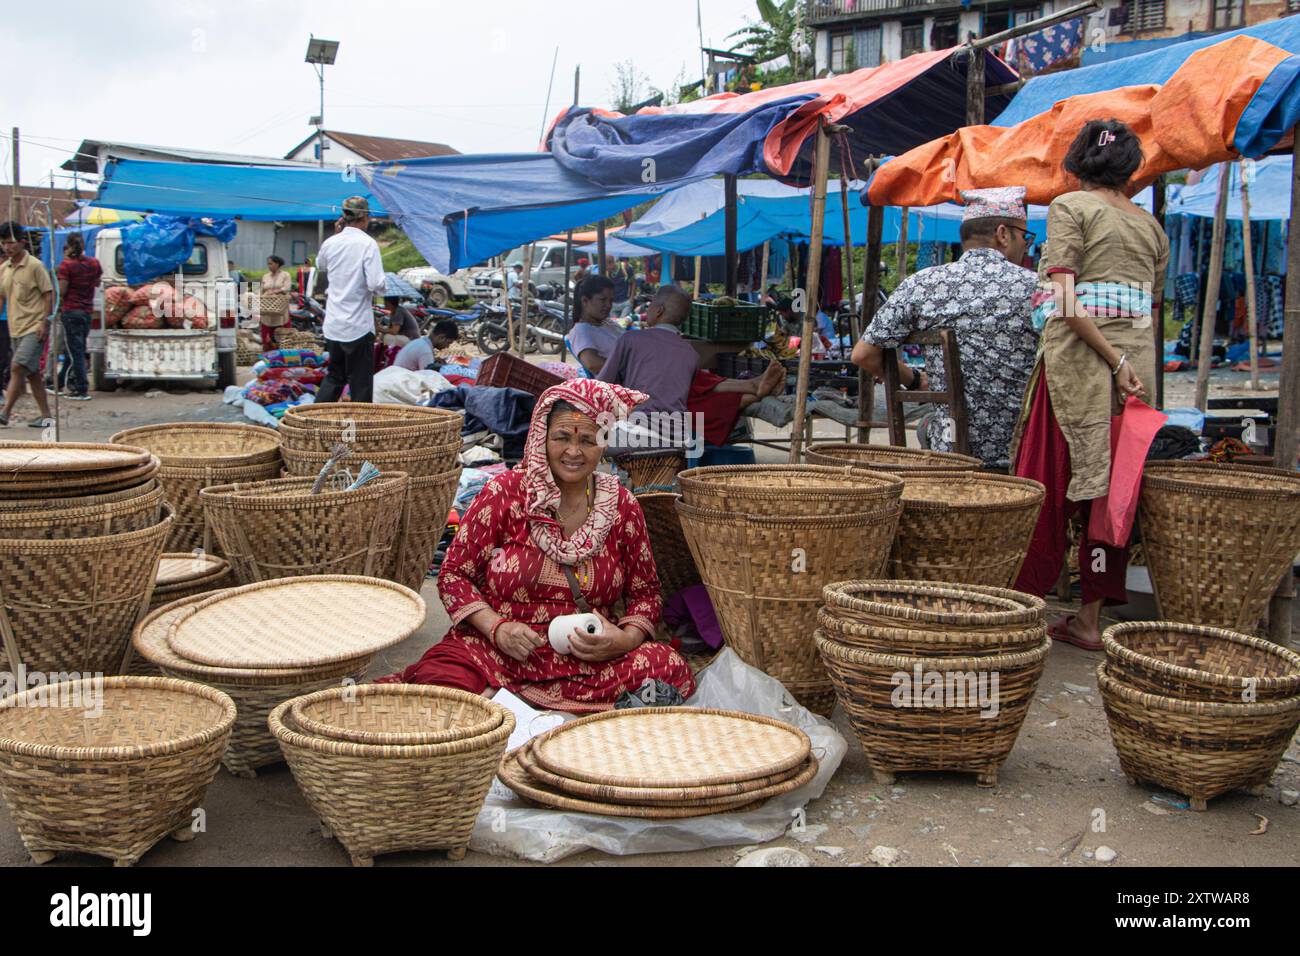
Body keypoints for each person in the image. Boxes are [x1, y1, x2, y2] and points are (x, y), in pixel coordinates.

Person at [377, 379, 696, 712]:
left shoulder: (620, 506)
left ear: (603, 444)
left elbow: (646, 592)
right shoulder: (506, 492)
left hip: (588, 661)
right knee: (440, 681)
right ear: (542, 437)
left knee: (666, 665)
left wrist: (622, 640)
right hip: (497, 651)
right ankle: (516, 704)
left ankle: (500, 707)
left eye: (587, 440)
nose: (573, 452)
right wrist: (497, 628)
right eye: (561, 438)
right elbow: (455, 575)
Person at [1011, 119, 1169, 651]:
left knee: (1045, 488)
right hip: (1135, 381)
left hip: (1079, 368)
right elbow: (1147, 307)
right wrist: (1127, 364)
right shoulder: (1150, 226)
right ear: (1129, 170)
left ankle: (1020, 608)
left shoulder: (1069, 209)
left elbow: (1062, 299)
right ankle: (1088, 617)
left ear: (1077, 163)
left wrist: (1112, 358)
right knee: (1111, 498)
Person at [851, 186, 1039, 468]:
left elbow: (863, 355)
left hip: (948, 452)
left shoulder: (921, 284)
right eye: (1025, 237)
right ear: (1003, 234)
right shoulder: (1037, 288)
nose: (1027, 245)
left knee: (930, 425)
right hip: (1022, 453)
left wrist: (915, 379)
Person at [598, 286, 785, 447]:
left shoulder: (630, 339)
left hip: (634, 428)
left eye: (651, 305)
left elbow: (601, 386)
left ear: (659, 310)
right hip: (678, 432)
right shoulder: (691, 354)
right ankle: (751, 387)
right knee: (700, 391)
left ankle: (751, 388)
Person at [314, 196, 385, 403]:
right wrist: (384, 284)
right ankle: (359, 431)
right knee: (360, 382)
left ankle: (312, 423)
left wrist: (336, 234)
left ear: (343, 217)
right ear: (366, 217)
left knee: (335, 376)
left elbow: (322, 265)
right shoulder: (367, 244)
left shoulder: (331, 242)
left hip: (334, 325)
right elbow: (376, 284)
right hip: (358, 327)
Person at [0, 223, 54, 427]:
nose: (7, 247)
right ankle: (46, 416)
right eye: (4, 243)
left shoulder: (35, 266)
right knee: (32, 374)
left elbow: (48, 293)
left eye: (11, 242)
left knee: (17, 366)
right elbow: (1, 297)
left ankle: (4, 413)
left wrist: (44, 322)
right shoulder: (4, 269)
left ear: (22, 242)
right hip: (15, 328)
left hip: (34, 327)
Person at [55, 233, 101, 401]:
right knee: (74, 349)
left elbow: (63, 290)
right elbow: (97, 282)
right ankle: (58, 382)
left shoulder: (66, 266)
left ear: (68, 247)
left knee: (76, 351)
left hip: (71, 311)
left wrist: (57, 305)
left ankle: (81, 388)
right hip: (86, 311)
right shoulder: (94, 263)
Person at [566, 274, 625, 376]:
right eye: (603, 300)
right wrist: (630, 365)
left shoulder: (608, 323)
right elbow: (592, 363)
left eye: (611, 301)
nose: (609, 305)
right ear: (585, 301)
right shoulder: (581, 330)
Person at [394, 319, 459, 371]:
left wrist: (434, 361)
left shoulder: (421, 342)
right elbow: (429, 378)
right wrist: (442, 368)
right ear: (441, 337)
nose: (447, 347)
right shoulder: (425, 350)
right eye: (448, 343)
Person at [257, 255, 292, 352]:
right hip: (267, 309)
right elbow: (261, 290)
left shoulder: (285, 275)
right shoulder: (265, 276)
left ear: (277, 264)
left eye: (270, 263)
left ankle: (282, 356)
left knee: (282, 338)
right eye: (268, 264)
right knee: (266, 338)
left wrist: (276, 291)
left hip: (279, 310)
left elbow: (287, 288)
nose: (269, 266)